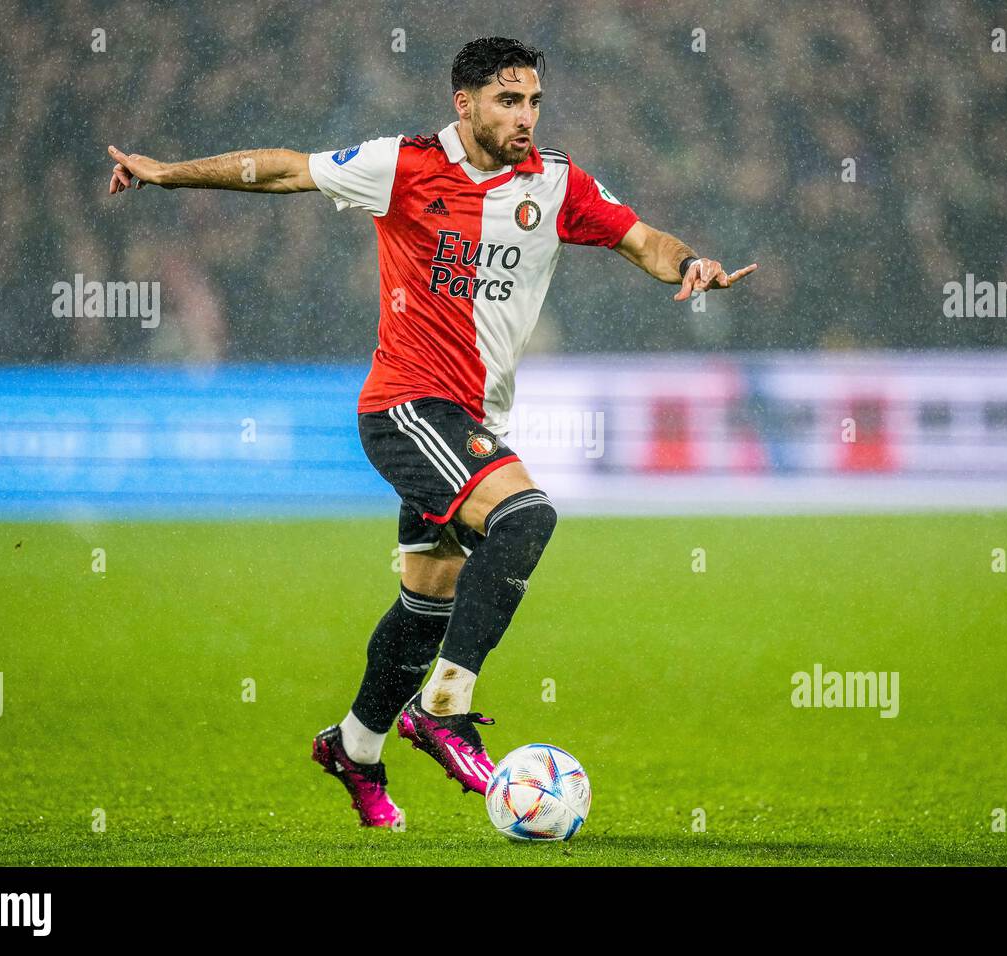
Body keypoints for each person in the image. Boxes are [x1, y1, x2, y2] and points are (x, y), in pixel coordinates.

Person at [107, 36, 756, 827]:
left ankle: (355, 744)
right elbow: (284, 168)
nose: (525, 117)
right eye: (508, 101)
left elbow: (642, 239)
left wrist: (688, 262)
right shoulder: (402, 164)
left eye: (534, 102)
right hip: (407, 407)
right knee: (525, 516)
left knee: (425, 605)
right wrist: (168, 172)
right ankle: (442, 710)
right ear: (465, 103)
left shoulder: (553, 181)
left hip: (472, 418)